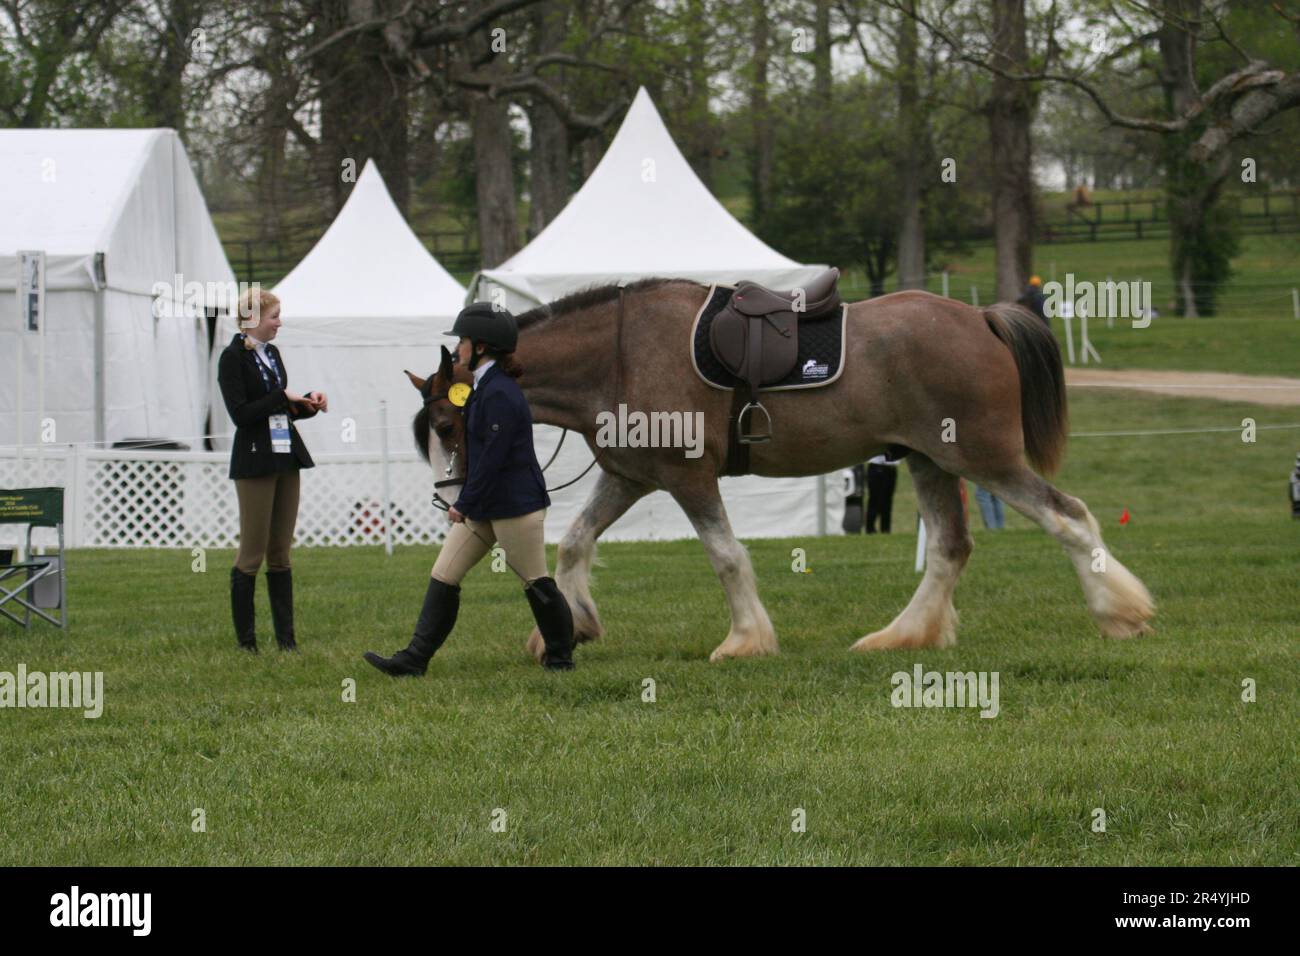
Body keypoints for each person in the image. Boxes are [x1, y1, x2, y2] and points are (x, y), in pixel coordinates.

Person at [363, 303, 575, 676]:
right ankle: (414, 659)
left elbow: (492, 458)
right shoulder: (484, 387)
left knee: (537, 583)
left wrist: (465, 502)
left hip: (513, 506)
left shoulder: (498, 393)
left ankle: (561, 659)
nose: (458, 347)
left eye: (462, 340)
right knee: (444, 574)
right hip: (486, 506)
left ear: (480, 346)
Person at [217, 288, 327, 653]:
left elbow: (281, 408)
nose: (279, 322)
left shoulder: (273, 354)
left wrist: (308, 402)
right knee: (252, 552)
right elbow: (242, 415)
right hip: (255, 460)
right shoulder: (232, 358)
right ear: (252, 320)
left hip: (285, 456)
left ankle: (286, 640)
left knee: (281, 551)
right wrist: (284, 396)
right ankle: (247, 643)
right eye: (273, 316)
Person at [865, 454, 899, 533]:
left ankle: (885, 529)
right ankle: (870, 529)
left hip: (891, 468)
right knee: (875, 500)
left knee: (887, 502)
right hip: (877, 467)